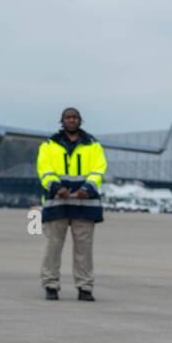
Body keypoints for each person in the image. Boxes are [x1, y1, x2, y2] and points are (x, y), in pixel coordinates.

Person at [36, 107, 106, 301]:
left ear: (80, 121)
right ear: (62, 121)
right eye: (68, 117)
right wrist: (57, 187)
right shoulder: (49, 145)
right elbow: (44, 170)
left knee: (84, 249)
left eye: (75, 117)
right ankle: (51, 285)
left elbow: (98, 170)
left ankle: (85, 287)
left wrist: (88, 188)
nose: (72, 120)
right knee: (53, 247)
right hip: (57, 202)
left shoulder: (93, 145)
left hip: (85, 204)